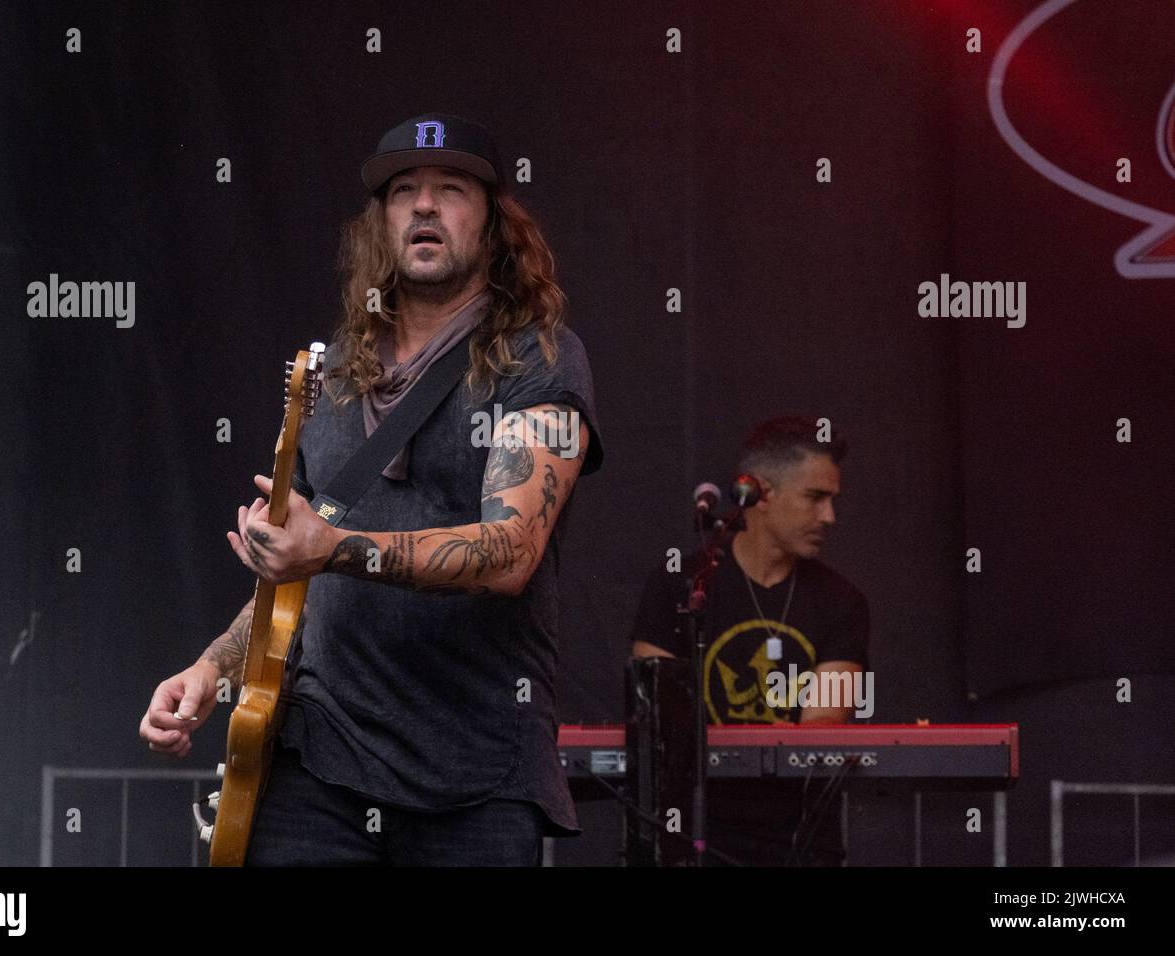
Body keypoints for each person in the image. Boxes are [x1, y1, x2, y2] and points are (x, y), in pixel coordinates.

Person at [139, 113, 603, 866]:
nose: (424, 206)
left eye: (451, 189)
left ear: (491, 224)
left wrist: (332, 547)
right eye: (403, 192)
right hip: (319, 761)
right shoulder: (333, 376)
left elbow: (511, 551)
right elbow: (300, 567)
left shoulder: (540, 359)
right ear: (379, 224)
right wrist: (211, 668)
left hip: (476, 774)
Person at [629, 416, 868, 865]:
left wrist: (791, 741)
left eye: (833, 500)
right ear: (759, 492)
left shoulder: (842, 602)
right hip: (689, 838)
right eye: (815, 498)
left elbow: (824, 726)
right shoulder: (680, 581)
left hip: (800, 843)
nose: (829, 517)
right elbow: (655, 720)